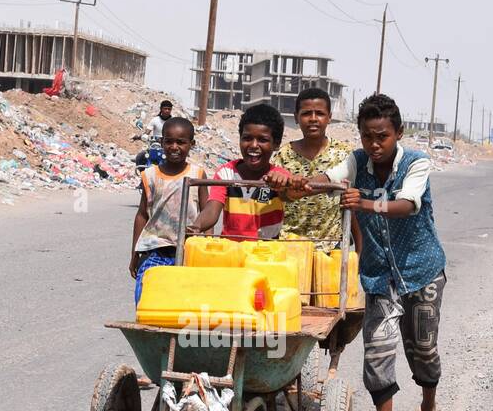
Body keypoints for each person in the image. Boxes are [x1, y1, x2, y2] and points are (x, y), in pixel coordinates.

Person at [291, 92, 448, 411]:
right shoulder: (356, 161)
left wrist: (364, 203)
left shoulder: (416, 163)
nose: (374, 145)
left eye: (382, 137)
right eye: (367, 137)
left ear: (398, 133)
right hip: (379, 277)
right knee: (377, 353)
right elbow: (328, 178)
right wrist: (300, 183)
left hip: (422, 271)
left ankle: (428, 409)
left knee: (423, 350)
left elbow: (407, 204)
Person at [131, 116, 207, 305]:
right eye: (169, 141)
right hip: (155, 251)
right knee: (147, 301)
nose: (174, 147)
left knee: (183, 304)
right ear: (162, 142)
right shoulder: (150, 175)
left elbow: (206, 213)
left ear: (191, 144)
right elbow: (142, 215)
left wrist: (206, 249)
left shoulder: (197, 175)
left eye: (180, 142)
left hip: (189, 252)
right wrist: (134, 253)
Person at [195, 103, 293, 241]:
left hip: (266, 251)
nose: (253, 145)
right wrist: (196, 226)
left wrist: (284, 185)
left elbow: (289, 194)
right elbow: (212, 209)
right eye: (247, 138)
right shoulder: (226, 173)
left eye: (263, 140)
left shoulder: (279, 177)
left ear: (276, 144)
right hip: (230, 250)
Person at [272, 87, 352, 243]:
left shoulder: (343, 154)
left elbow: (351, 202)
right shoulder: (284, 154)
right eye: (306, 113)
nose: (313, 119)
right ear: (296, 117)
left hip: (331, 244)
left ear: (329, 117)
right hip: (290, 243)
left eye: (320, 113)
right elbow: (278, 196)